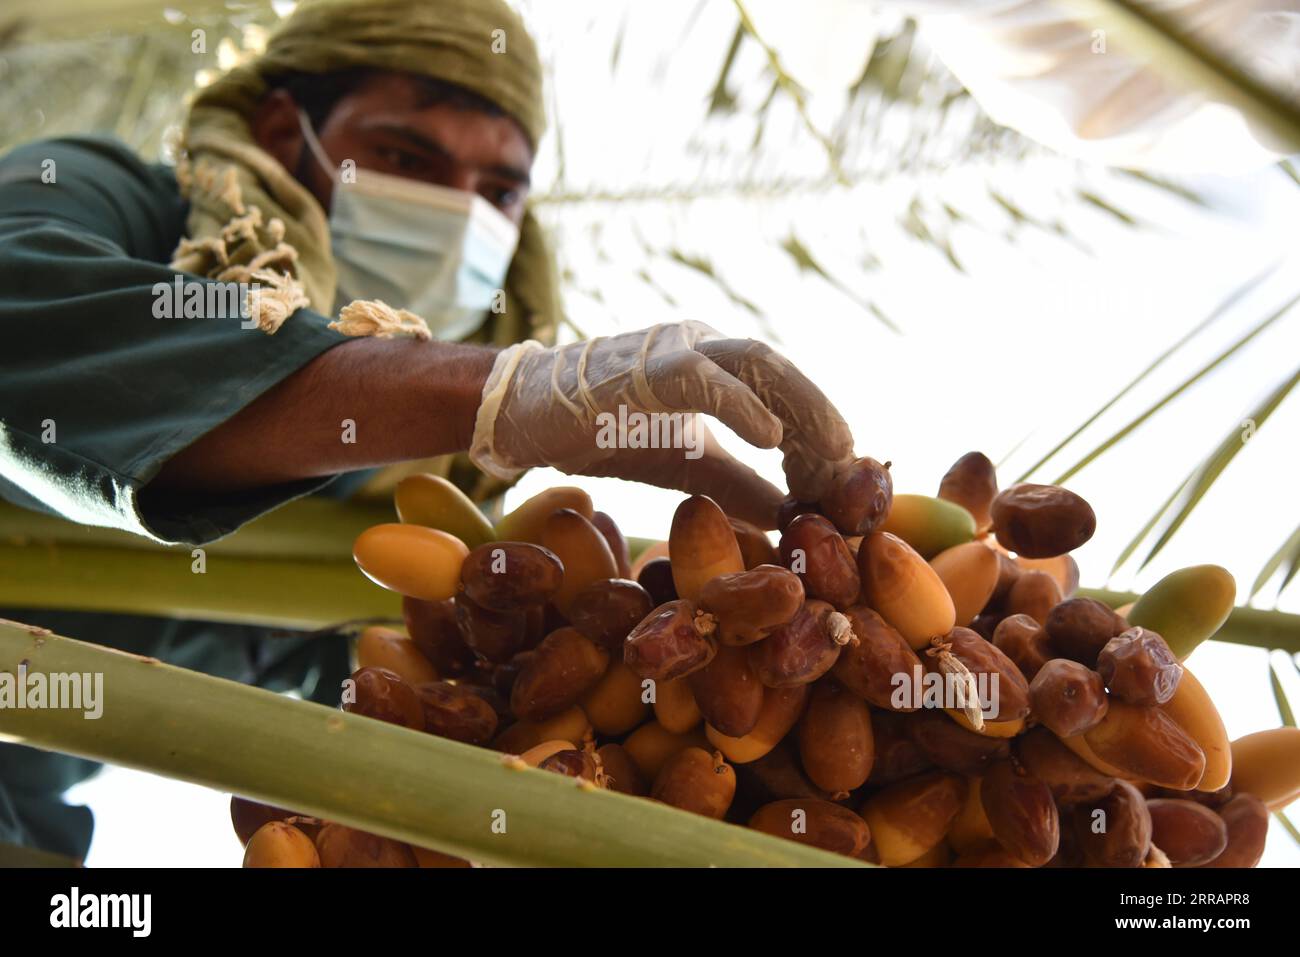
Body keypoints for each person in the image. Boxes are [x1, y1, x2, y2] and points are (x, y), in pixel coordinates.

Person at [0, 0, 854, 859]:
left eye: (499, 193)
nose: (458, 217)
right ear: (280, 129)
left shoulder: (458, 486)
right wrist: (497, 395)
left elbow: (390, 688)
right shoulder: (121, 200)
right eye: (407, 157)